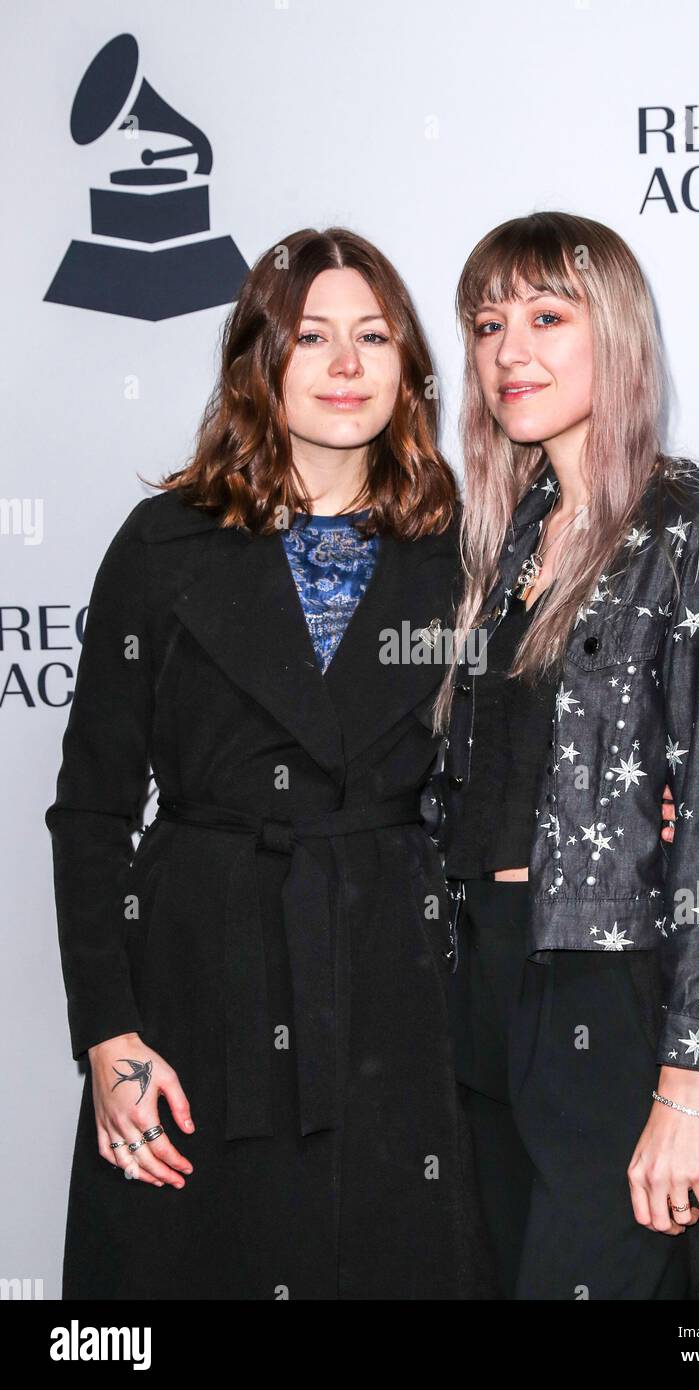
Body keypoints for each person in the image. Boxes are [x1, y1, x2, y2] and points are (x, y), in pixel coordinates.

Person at [45, 227, 495, 1300]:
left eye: (373, 336)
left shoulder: (463, 553)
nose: (346, 367)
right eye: (312, 337)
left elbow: (505, 771)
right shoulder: (162, 544)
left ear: (407, 365)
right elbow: (93, 810)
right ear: (260, 362)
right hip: (200, 984)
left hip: (393, 985)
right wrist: (108, 1036)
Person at [427, 211, 699, 1300]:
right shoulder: (502, 539)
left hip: (607, 990)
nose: (508, 351)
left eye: (545, 316)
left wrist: (687, 1086)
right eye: (487, 324)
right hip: (481, 980)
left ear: (617, 335)